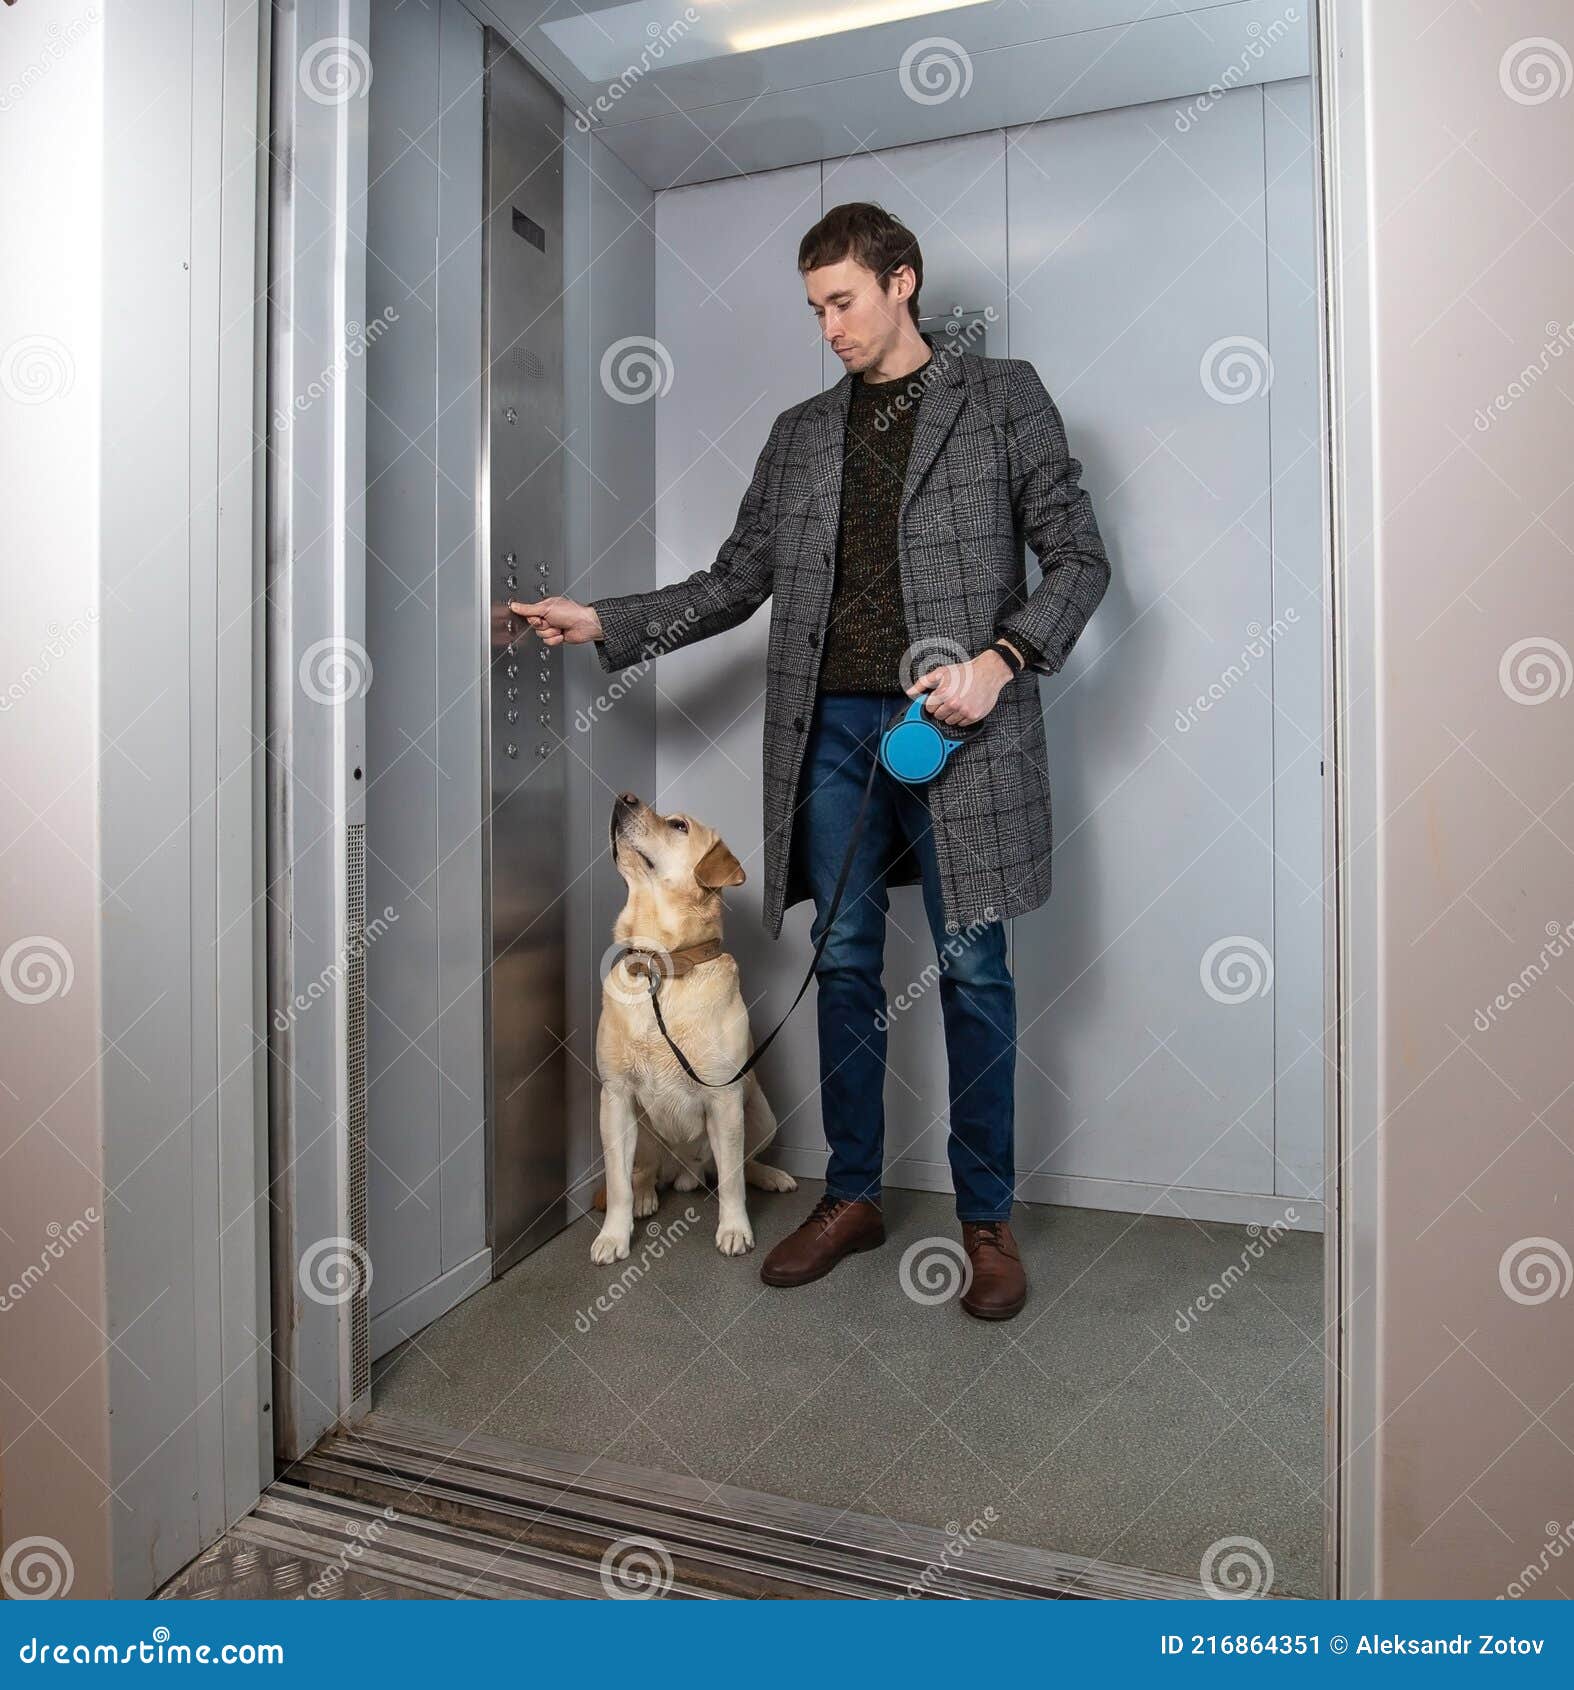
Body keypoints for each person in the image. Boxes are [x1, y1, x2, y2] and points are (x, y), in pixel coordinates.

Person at [510, 202, 1109, 1321]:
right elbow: (736, 579)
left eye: (843, 300)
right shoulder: (799, 434)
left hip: (961, 729)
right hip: (832, 730)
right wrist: (604, 619)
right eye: (814, 308)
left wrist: (1002, 657)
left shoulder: (1001, 396)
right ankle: (851, 1195)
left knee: (974, 972)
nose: (827, 325)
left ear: (902, 282)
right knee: (842, 966)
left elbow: (1078, 557)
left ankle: (984, 1218)